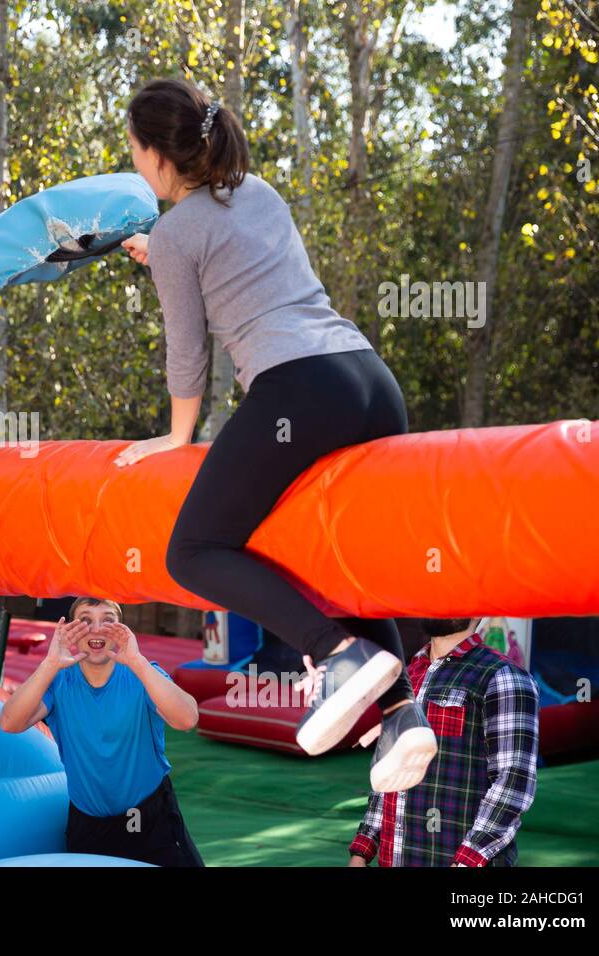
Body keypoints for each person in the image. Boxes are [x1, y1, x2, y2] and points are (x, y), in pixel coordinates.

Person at [116, 78, 435, 792]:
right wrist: (164, 253)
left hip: (301, 390)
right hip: (369, 382)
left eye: (135, 152)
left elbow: (187, 350)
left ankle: (336, 653)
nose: (136, 165)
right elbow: (235, 265)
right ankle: (402, 713)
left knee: (194, 550)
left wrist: (176, 437)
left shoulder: (176, 234)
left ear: (159, 158)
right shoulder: (255, 192)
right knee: (334, 550)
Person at [0, 598, 204, 866]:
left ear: (120, 629)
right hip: (89, 822)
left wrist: (138, 662)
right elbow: (9, 722)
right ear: (72, 631)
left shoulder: (142, 675)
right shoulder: (59, 681)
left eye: (107, 620)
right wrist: (50, 663)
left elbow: (187, 719)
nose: (96, 629)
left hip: (151, 817)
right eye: (85, 620)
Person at [348, 618, 539, 866]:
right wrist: (362, 849)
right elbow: (390, 769)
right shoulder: (408, 673)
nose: (441, 603)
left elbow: (514, 781)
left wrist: (468, 861)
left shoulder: (504, 677)